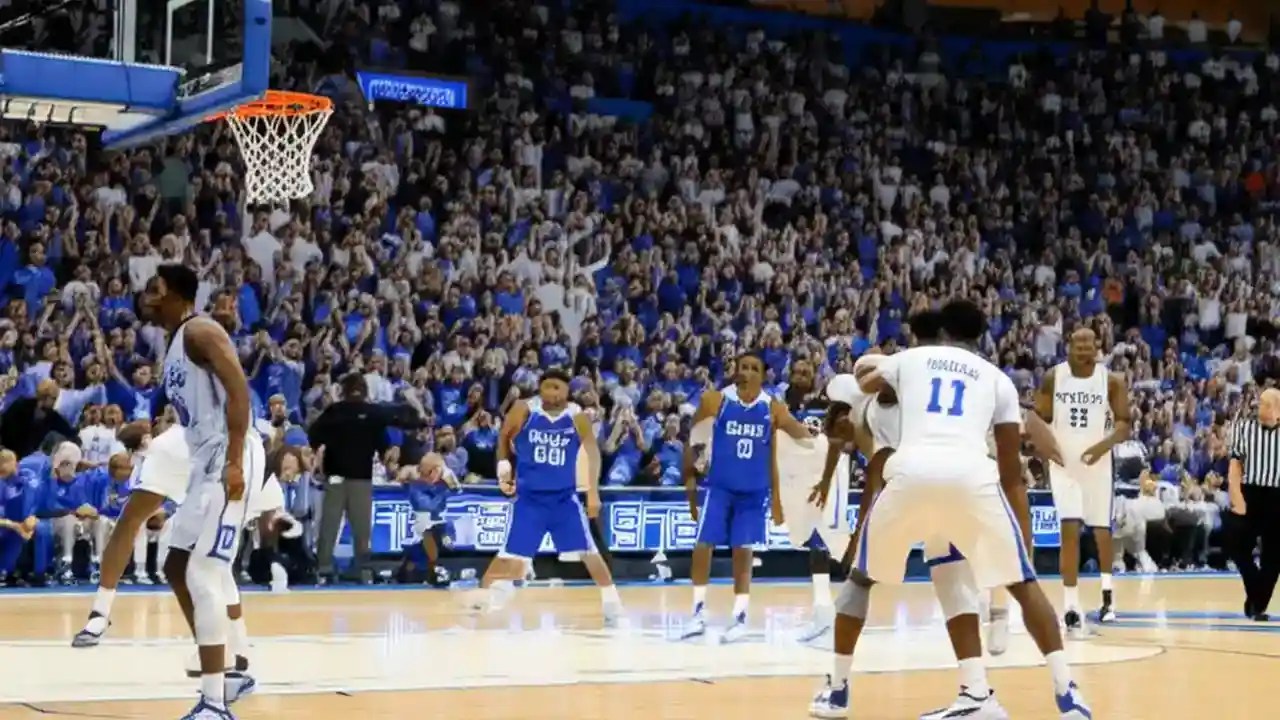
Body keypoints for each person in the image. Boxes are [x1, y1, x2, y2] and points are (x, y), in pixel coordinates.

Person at [845, 299, 1090, 719]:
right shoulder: (996, 379)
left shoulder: (909, 365)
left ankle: (845, 688)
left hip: (923, 481)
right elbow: (1015, 473)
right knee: (1011, 580)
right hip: (978, 482)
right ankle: (1062, 693)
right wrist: (1024, 541)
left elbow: (861, 379)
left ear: (940, 336)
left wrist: (881, 361)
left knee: (915, 578)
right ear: (982, 336)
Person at [145, 263, 262, 720]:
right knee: (175, 565)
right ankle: (227, 669)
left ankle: (214, 704)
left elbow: (239, 391)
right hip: (204, 462)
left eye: (155, 291)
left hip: (228, 458)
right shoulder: (175, 342)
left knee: (204, 573)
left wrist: (234, 460)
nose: (148, 298)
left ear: (174, 294)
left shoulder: (200, 331)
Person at [680, 352, 813, 643]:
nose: (749, 372)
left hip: (754, 493)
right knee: (703, 545)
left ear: (763, 375)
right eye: (744, 367)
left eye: (755, 369)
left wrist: (824, 441)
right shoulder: (716, 400)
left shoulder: (772, 408)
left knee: (743, 551)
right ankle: (697, 612)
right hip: (719, 488)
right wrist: (690, 482)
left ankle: (739, 616)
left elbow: (801, 435)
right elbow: (693, 442)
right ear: (735, 371)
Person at [475, 367, 622, 623]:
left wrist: (593, 493)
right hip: (530, 499)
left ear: (568, 391)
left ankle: (612, 604)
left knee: (590, 553)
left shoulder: (577, 417)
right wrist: (503, 469)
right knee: (510, 555)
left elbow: (593, 453)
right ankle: (488, 599)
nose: (551, 392)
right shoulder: (525, 408)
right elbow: (503, 438)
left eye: (557, 387)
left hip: (564, 499)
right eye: (547, 386)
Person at [1035, 327, 1131, 634]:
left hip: (1098, 464)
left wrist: (1102, 446)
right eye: (1078, 344)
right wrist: (1044, 448)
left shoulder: (1112, 380)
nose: (1083, 349)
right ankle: (1071, 605)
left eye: (1088, 344)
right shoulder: (1054, 377)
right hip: (1064, 464)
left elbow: (1124, 424)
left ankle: (1107, 599)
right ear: (1068, 347)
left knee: (1101, 530)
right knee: (1069, 530)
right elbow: (1039, 418)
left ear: (1097, 347)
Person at [308, 372, 425, 584]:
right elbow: (386, 438)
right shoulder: (372, 412)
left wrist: (321, 451)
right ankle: (363, 570)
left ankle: (324, 567)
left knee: (330, 525)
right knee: (361, 528)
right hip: (360, 478)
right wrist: (388, 450)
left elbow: (314, 434)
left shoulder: (335, 411)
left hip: (337, 477)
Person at [775, 357, 842, 641]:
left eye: (806, 371)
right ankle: (825, 607)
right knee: (814, 544)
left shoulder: (826, 405)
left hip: (823, 480)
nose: (801, 375)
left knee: (823, 543)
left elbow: (838, 441)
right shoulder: (783, 407)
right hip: (795, 482)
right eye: (797, 371)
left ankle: (824, 608)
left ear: (815, 375)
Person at [1225, 388, 1280, 620]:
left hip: (1277, 495)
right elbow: (1235, 465)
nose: (1260, 407)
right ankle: (1256, 590)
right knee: (1235, 544)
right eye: (1260, 403)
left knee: (1274, 555)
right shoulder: (1244, 428)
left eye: (1267, 404)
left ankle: (1257, 605)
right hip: (1251, 492)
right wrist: (1236, 496)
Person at [0, 449, 52, 584]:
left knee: (42, 528)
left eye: (5, 463)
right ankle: (7, 571)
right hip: (6, 525)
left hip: (24, 521)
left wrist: (32, 517)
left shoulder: (29, 480)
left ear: (15, 464)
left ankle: (39, 574)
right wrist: (11, 524)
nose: (2, 466)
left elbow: (38, 501)